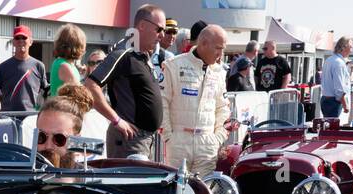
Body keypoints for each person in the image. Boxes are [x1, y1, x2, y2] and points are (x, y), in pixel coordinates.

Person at [84, 5, 166, 158]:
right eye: (159, 29)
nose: (162, 35)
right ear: (142, 25)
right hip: (130, 140)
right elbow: (90, 86)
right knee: (128, 182)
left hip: (146, 139)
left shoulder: (142, 55)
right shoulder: (123, 53)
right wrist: (116, 120)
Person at [161, 23, 229, 175]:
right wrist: (169, 137)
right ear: (203, 44)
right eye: (218, 48)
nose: (221, 53)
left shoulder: (219, 72)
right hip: (178, 142)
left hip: (207, 144)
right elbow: (162, 103)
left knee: (202, 193)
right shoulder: (174, 65)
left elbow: (223, 108)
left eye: (223, 48)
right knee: (177, 192)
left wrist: (217, 138)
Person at [35, 84, 94, 168]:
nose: (48, 146)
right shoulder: (19, 176)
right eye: (41, 137)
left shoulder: (90, 179)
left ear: (76, 141)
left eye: (59, 139)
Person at [0, 25, 47, 113]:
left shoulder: (39, 66)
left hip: (30, 117)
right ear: (13, 42)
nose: (21, 41)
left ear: (30, 42)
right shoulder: (2, 67)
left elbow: (45, 92)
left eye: (24, 38)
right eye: (17, 38)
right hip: (8, 117)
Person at [320, 36, 352, 120]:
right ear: (344, 47)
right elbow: (339, 89)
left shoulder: (329, 60)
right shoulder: (339, 63)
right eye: (351, 47)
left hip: (326, 99)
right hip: (333, 102)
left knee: (327, 128)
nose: (352, 50)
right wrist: (345, 106)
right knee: (332, 130)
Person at [50, 26, 86, 96]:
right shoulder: (65, 66)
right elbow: (79, 95)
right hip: (63, 106)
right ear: (77, 46)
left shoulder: (60, 62)